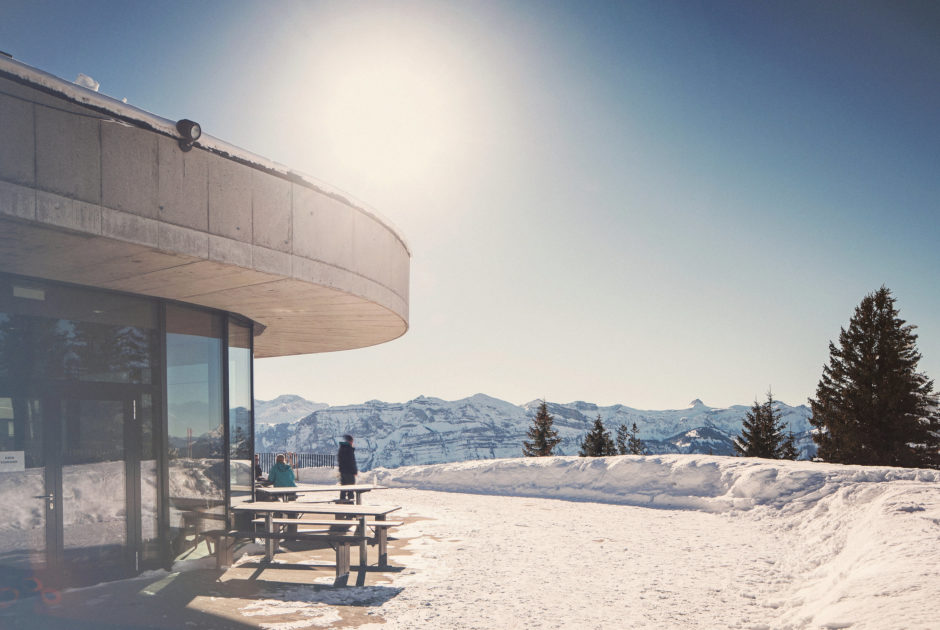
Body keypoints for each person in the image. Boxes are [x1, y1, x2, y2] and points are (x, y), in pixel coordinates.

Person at [337, 434, 358, 503]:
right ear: (350, 441)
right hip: (349, 472)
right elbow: (351, 461)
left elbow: (340, 460)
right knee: (351, 490)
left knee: (343, 489)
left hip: (343, 472)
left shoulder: (341, 448)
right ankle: (350, 508)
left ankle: (341, 504)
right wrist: (354, 471)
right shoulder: (349, 449)